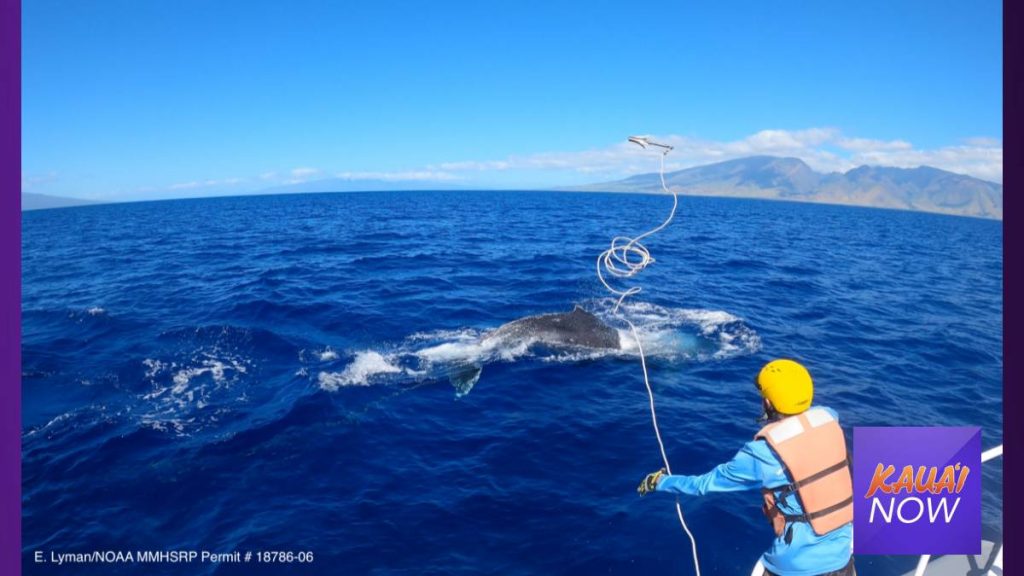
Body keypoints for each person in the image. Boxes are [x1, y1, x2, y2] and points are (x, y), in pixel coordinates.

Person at [637, 359, 855, 576]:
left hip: (795, 566)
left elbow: (702, 485)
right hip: (843, 558)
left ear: (768, 403)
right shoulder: (829, 417)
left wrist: (660, 482)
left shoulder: (761, 454)